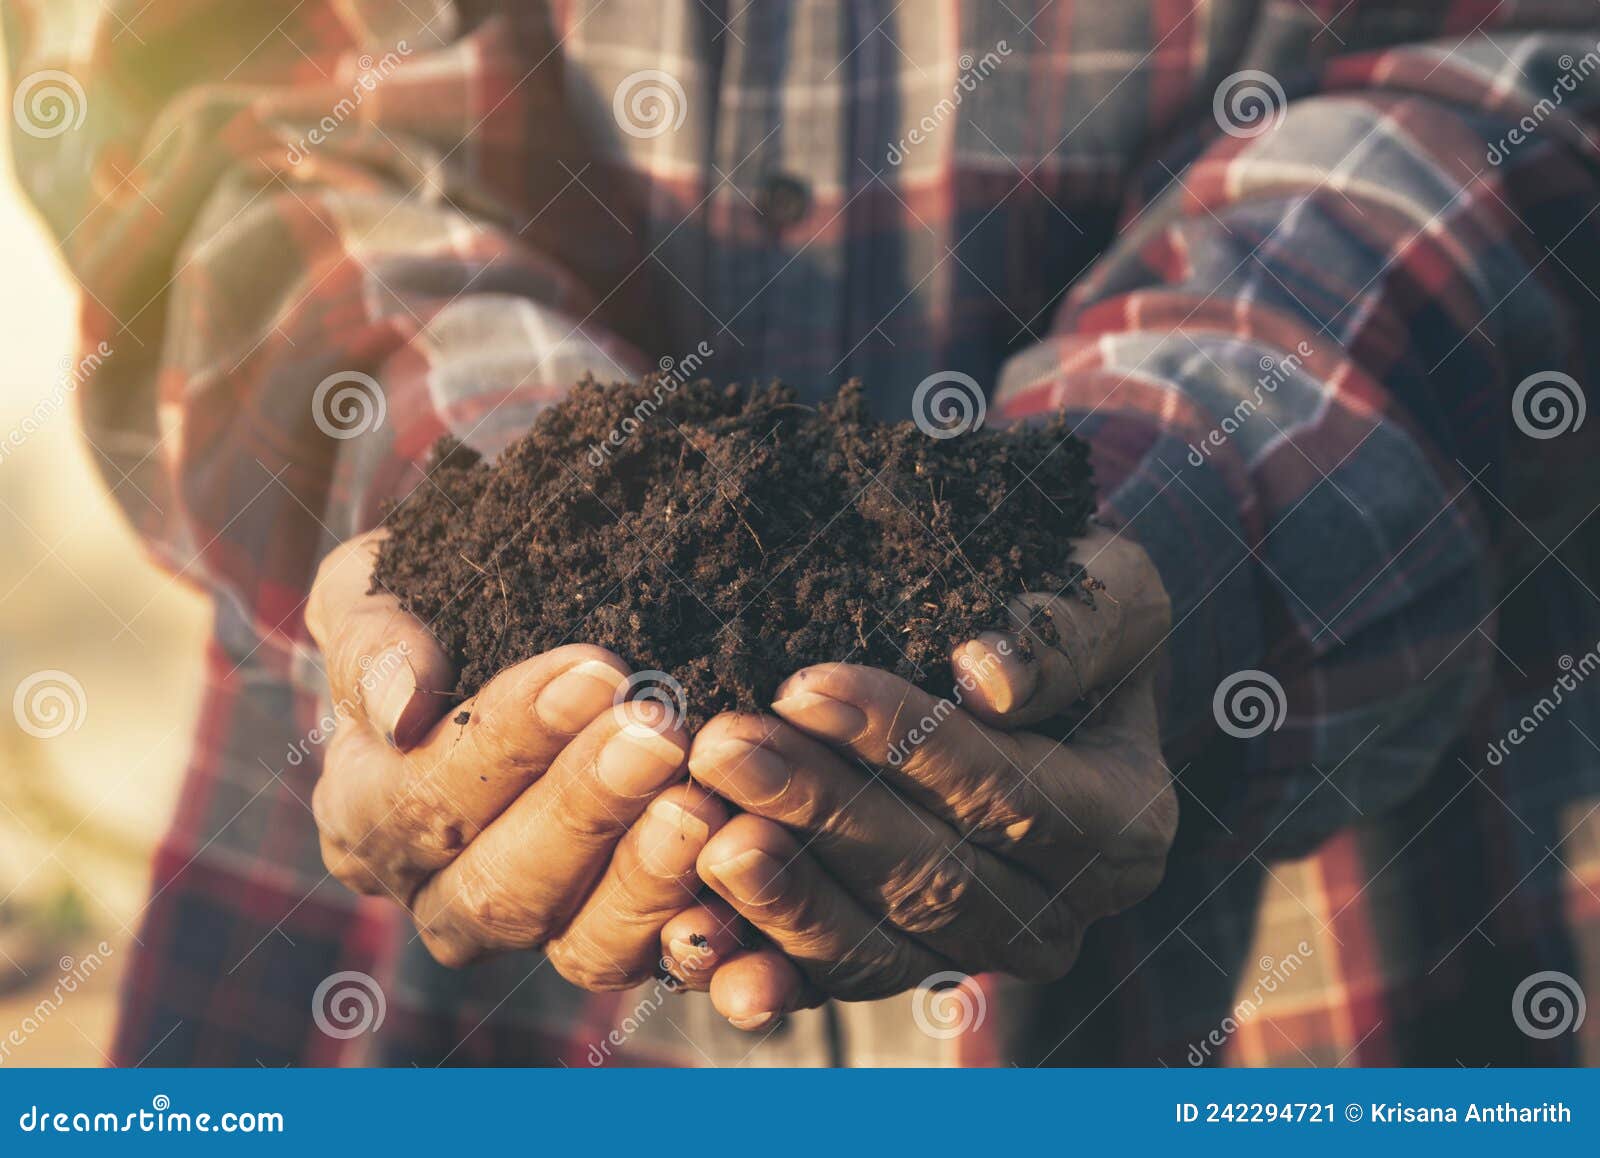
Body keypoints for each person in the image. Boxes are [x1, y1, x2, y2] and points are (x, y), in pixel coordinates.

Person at [8, 0, 1598, 1067]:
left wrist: (1196, 500)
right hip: (415, 986)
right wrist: (433, 476)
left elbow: (1547, 59)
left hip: (1315, 930)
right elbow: (213, 93)